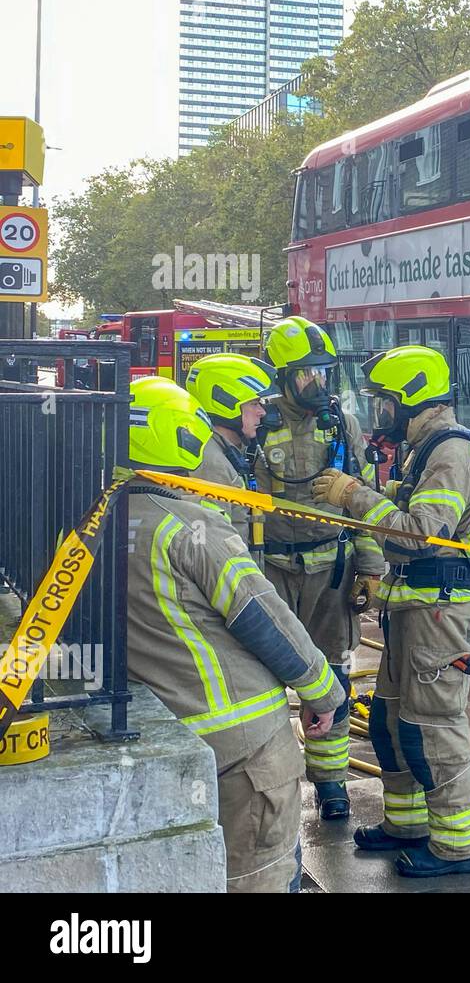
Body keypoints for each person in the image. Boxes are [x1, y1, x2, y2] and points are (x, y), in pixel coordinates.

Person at [124, 376, 346, 892]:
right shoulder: (187, 525)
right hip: (243, 750)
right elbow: (262, 618)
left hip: (167, 735)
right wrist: (324, 690)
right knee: (259, 878)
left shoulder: (98, 520)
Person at [311, 345, 470, 877]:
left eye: (384, 402)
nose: (378, 412)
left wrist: (354, 497)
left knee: (433, 727)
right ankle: (408, 824)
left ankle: (459, 846)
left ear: (411, 398)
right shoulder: (425, 448)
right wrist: (366, 490)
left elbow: (416, 534)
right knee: (391, 724)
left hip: (440, 617)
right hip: (413, 613)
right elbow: (408, 507)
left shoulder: (452, 455)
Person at [253, 317, 385, 821]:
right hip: (273, 573)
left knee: (332, 677)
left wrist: (370, 569)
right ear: (283, 376)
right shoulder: (258, 426)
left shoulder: (340, 424)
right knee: (265, 679)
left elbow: (362, 500)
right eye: (308, 374)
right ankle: (271, 785)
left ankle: (332, 785)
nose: (319, 383)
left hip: (332, 575)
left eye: (324, 372)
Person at [185, 353, 276, 564]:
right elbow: (215, 550)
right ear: (226, 402)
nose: (262, 411)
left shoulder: (226, 451)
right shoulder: (212, 465)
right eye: (254, 403)